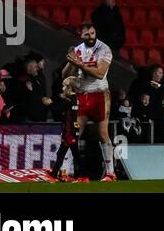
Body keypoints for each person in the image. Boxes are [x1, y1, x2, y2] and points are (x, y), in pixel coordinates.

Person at [65, 22, 116, 180]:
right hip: (83, 95)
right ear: (81, 35)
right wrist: (71, 63)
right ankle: (66, 171)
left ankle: (110, 173)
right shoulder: (77, 50)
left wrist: (79, 64)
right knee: (74, 133)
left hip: (100, 94)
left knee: (102, 132)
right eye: (87, 34)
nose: (91, 37)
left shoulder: (104, 49)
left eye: (93, 33)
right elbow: (64, 75)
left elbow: (100, 74)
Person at [47, 77, 82, 183]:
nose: (62, 88)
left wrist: (50, 103)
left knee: (68, 154)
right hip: (72, 131)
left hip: (69, 132)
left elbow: (58, 110)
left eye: (64, 86)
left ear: (69, 88)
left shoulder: (68, 101)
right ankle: (77, 176)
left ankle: (78, 176)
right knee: (69, 154)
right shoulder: (75, 98)